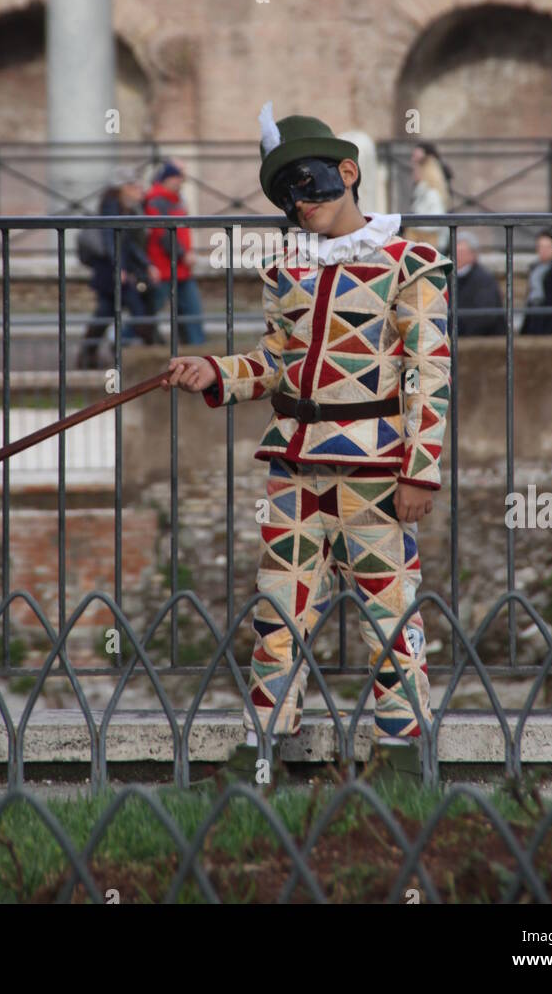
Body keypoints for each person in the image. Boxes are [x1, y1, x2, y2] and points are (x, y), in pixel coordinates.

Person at [163, 105, 452, 782]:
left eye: (314, 183)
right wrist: (216, 372)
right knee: (278, 610)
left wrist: (422, 471)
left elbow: (428, 374)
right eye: (288, 193)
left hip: (377, 470)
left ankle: (406, 755)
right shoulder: (285, 271)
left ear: (348, 173)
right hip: (293, 468)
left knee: (390, 611)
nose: (302, 201)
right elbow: (274, 362)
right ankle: (262, 748)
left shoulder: (411, 264)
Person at [76, 172, 161, 368]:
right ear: (123, 188)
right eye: (134, 187)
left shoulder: (127, 209)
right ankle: (154, 353)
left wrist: (146, 265)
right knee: (136, 310)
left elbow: (130, 244)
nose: (138, 191)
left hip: (117, 271)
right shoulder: (111, 207)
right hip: (112, 272)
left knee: (105, 313)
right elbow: (110, 239)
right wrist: (118, 267)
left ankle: (88, 355)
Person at [144, 161, 205, 346]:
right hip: (164, 267)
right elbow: (162, 233)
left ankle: (197, 349)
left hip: (180, 268)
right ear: (167, 178)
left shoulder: (176, 199)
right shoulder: (155, 200)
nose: (181, 182)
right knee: (150, 311)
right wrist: (182, 254)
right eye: (178, 177)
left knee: (190, 311)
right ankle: (124, 339)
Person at [455, 230, 506, 336]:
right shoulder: (448, 277)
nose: (458, 256)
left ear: (473, 255)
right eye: (456, 252)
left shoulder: (485, 279)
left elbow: (486, 315)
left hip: (481, 338)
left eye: (462, 252)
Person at [403, 142, 452, 252]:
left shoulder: (431, 193)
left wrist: (412, 226)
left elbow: (436, 220)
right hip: (424, 244)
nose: (413, 171)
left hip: (430, 245)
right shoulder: (422, 191)